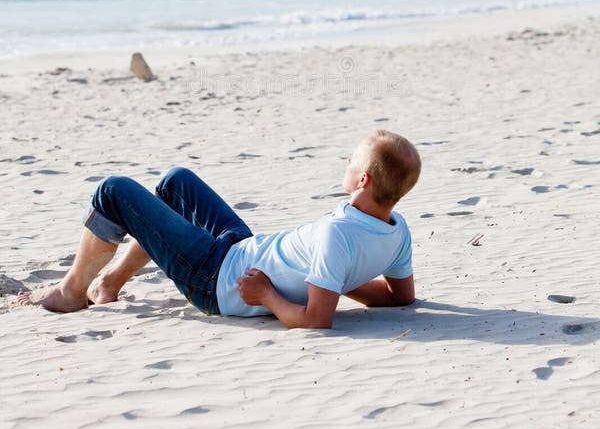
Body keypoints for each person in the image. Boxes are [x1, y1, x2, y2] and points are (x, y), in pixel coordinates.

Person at [17, 129, 421, 329]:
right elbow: (400, 297)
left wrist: (268, 296)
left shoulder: (339, 235)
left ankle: (71, 293)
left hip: (218, 280)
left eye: (351, 159)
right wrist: (333, 278)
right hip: (242, 249)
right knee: (177, 181)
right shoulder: (397, 230)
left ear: (364, 180)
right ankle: (109, 284)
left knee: (113, 191)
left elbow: (317, 321)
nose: (346, 162)